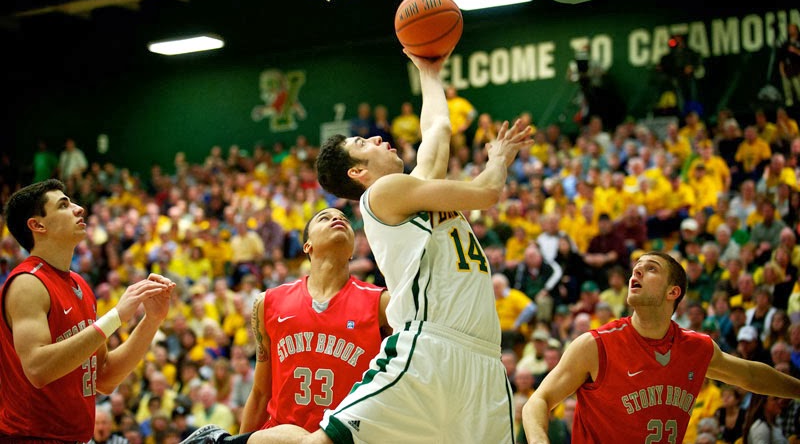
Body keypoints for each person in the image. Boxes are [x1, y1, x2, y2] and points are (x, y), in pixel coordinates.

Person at [184, 49, 533, 443]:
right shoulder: (382, 194)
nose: (379, 138)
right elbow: (487, 192)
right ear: (357, 171)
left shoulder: (415, 193)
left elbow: (437, 130)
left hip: (484, 358)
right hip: (430, 346)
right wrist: (499, 158)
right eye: (364, 142)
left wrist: (428, 71)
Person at [521, 250, 800, 443]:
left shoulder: (696, 348)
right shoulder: (595, 345)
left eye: (651, 268)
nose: (637, 270)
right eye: (636, 267)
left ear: (673, 292)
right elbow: (538, 400)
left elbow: (750, 375)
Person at [0, 179, 175, 442]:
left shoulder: (79, 284)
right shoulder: (28, 283)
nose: (79, 208)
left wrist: (152, 320)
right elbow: (38, 369)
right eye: (63, 205)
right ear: (38, 225)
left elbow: (104, 377)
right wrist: (116, 316)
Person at [239, 207, 390, 433]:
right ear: (307, 245)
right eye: (324, 218)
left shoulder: (381, 303)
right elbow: (261, 393)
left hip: (345, 436)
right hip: (282, 434)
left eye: (344, 219)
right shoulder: (268, 302)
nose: (337, 218)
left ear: (352, 250)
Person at [777, 22, 800, 107]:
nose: (790, 30)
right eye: (789, 29)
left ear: (796, 30)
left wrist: (795, 50)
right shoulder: (785, 44)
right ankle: (790, 109)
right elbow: (781, 60)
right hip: (787, 71)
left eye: (792, 28)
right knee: (788, 96)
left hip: (798, 71)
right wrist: (782, 71)